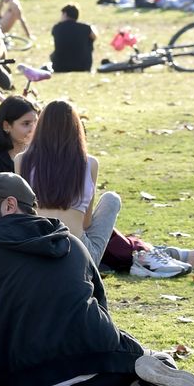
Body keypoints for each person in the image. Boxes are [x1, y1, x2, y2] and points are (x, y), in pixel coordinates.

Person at [0, 173, 194, 386]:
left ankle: (140, 382)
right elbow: (101, 306)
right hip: (100, 362)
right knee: (141, 356)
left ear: (9, 205)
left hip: (40, 384)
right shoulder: (71, 242)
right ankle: (146, 376)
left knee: (77, 379)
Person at [15, 99, 117, 267]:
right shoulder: (90, 163)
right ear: (76, 129)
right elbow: (86, 222)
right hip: (79, 255)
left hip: (36, 250)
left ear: (40, 127)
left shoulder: (21, 160)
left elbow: (23, 214)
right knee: (112, 199)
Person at [50, 4, 96, 72]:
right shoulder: (85, 28)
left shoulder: (57, 28)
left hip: (60, 67)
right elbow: (94, 37)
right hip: (83, 66)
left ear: (65, 14)